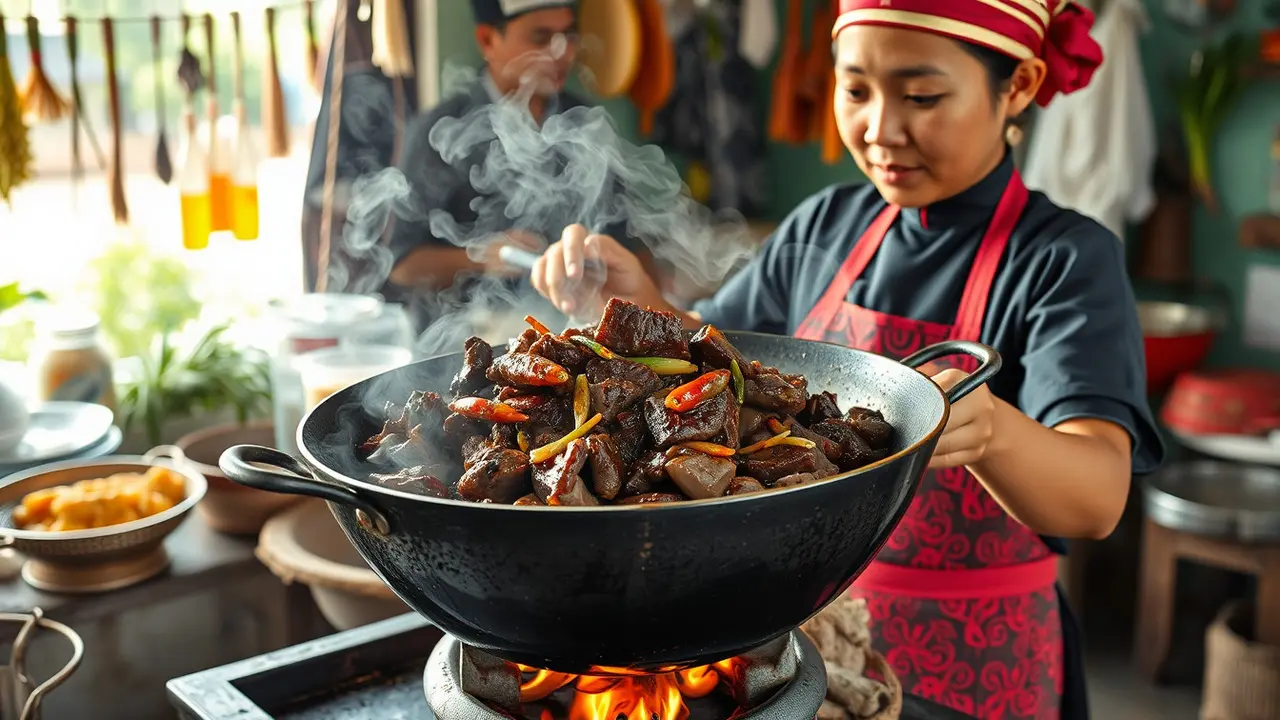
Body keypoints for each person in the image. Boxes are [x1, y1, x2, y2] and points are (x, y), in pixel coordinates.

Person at [530, 1, 1164, 717]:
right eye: (856, 89)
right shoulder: (826, 225)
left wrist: (993, 433)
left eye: (922, 96)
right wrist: (641, 306)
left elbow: (1098, 497)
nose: (881, 128)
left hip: (975, 664)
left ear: (1016, 85)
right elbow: (724, 373)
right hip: (804, 644)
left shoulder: (1064, 260)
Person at [384, 0, 651, 332]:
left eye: (568, 35)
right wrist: (478, 257)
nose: (562, 52)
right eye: (541, 38)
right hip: (463, 338)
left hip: (571, 330)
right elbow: (401, 266)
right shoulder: (440, 131)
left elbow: (628, 247)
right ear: (487, 40)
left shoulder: (587, 124)